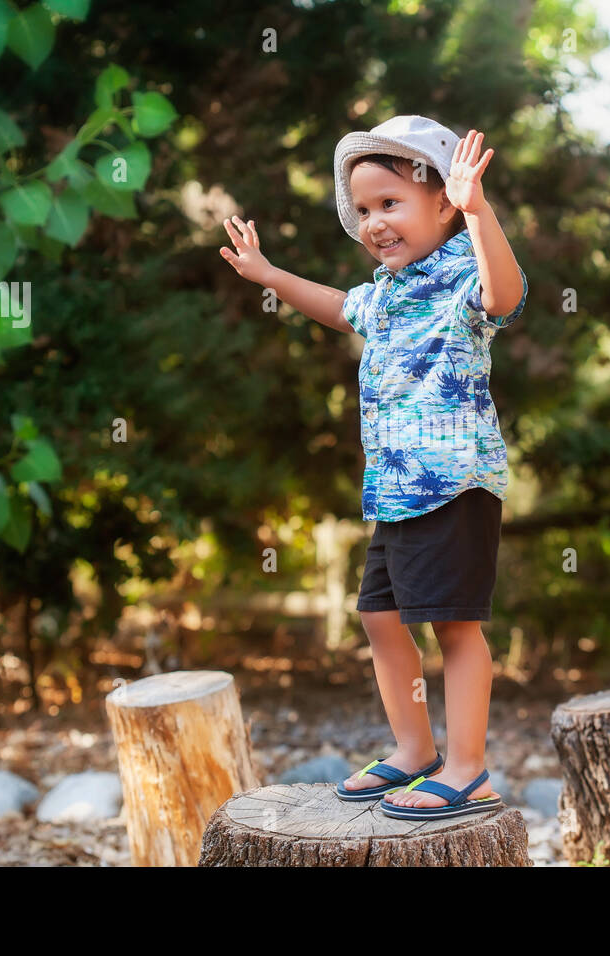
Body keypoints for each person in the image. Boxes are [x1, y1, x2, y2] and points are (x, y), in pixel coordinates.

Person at [219, 115, 528, 820]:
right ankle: (414, 750)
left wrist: (481, 215)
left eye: (390, 203)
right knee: (380, 618)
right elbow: (337, 308)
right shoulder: (385, 291)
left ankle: (470, 767)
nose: (373, 223)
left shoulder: (461, 272)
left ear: (444, 205)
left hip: (452, 483)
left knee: (455, 627)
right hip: (393, 491)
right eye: (362, 210)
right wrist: (268, 274)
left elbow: (504, 296)